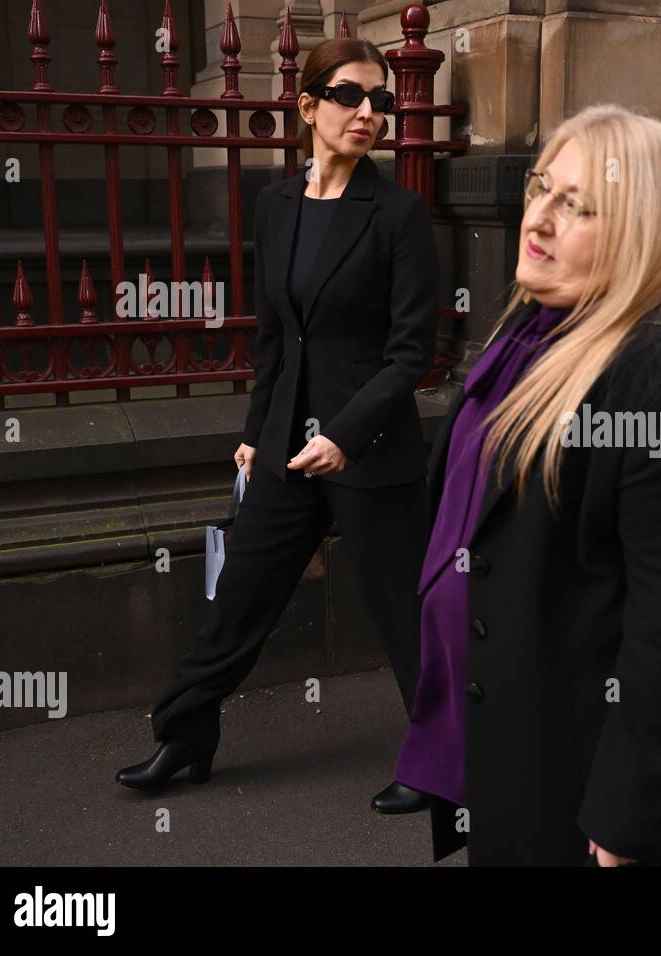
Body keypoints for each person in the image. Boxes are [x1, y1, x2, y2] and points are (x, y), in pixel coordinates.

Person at [391, 104, 661, 865]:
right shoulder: (526, 335)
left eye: (579, 206)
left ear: (646, 229)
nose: (538, 219)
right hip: (514, 749)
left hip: (595, 792)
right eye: (543, 188)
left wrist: (626, 821)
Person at [116, 38, 435, 815]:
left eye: (381, 101)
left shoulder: (399, 213)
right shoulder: (276, 204)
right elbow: (273, 335)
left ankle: (441, 764)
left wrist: (346, 436)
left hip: (369, 450)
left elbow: (410, 353)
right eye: (350, 96)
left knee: (407, 614)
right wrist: (261, 429)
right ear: (307, 106)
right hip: (291, 443)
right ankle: (186, 732)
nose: (368, 113)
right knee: (242, 593)